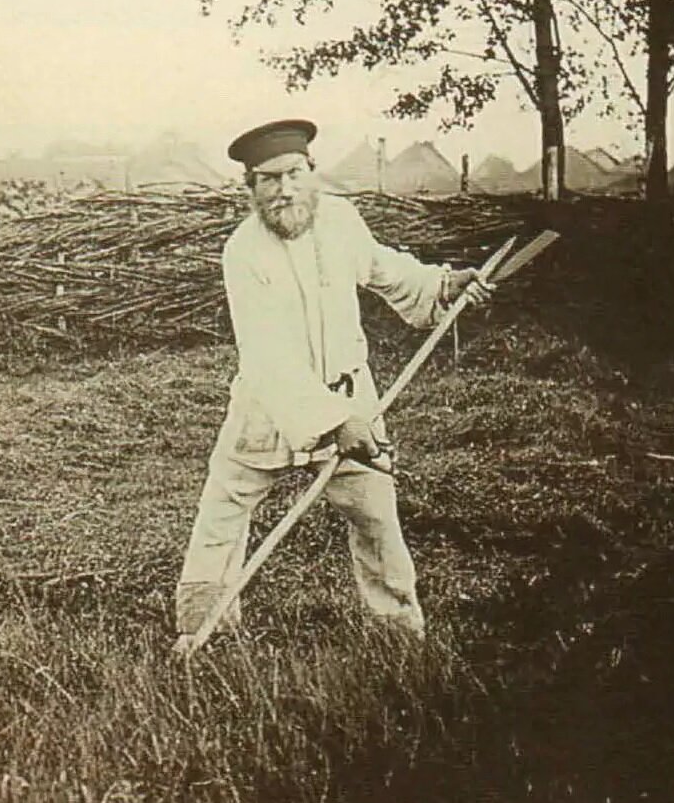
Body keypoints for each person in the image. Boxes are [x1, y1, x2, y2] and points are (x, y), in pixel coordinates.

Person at [175, 119, 492, 641]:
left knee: (376, 516)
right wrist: (330, 421)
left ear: (312, 172)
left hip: (353, 397)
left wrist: (440, 283)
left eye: (294, 174)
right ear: (249, 187)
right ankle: (204, 631)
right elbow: (267, 356)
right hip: (269, 405)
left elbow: (386, 270)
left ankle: (397, 631)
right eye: (270, 180)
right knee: (223, 511)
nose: (285, 190)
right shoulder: (244, 252)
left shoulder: (342, 220)